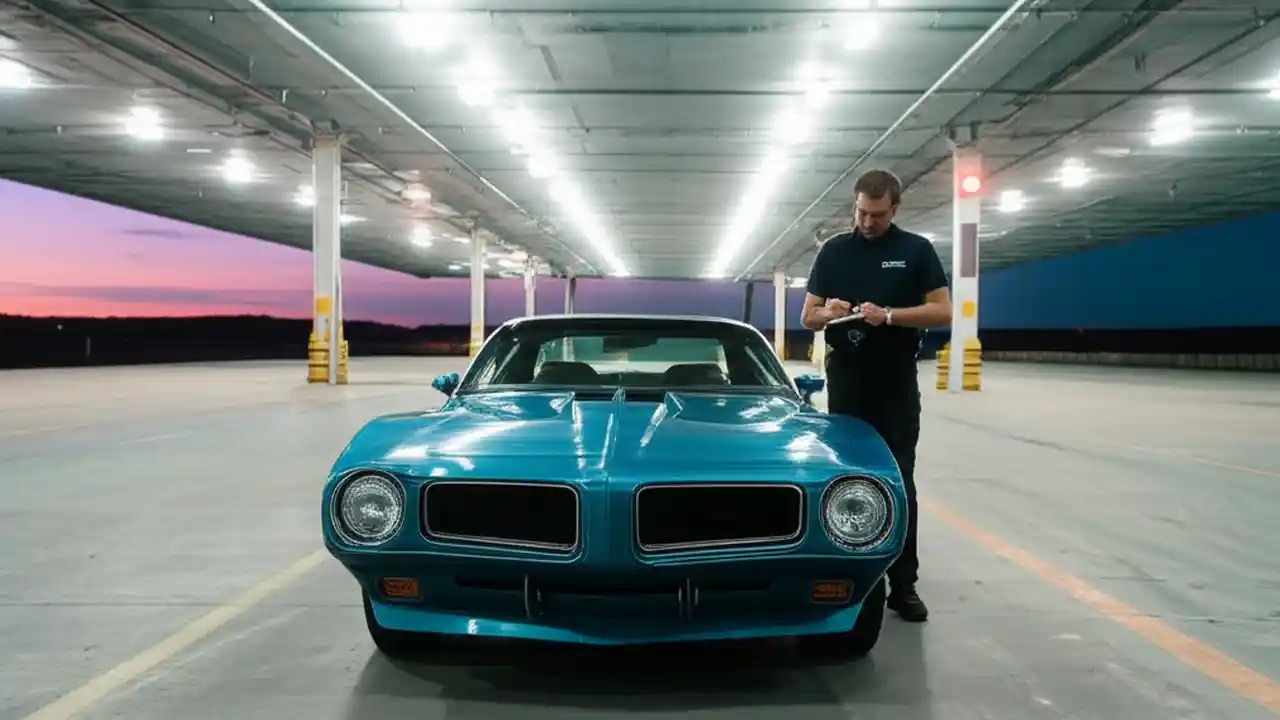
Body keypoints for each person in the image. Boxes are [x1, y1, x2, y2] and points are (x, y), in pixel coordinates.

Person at [801, 168, 952, 623]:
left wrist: (888, 316)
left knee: (899, 479)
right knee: (845, 480)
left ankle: (903, 585)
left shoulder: (915, 250)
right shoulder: (833, 252)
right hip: (846, 379)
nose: (867, 222)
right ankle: (851, 580)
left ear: (895, 208)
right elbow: (808, 316)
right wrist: (827, 311)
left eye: (877, 214)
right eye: (861, 212)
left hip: (895, 381)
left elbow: (942, 310)